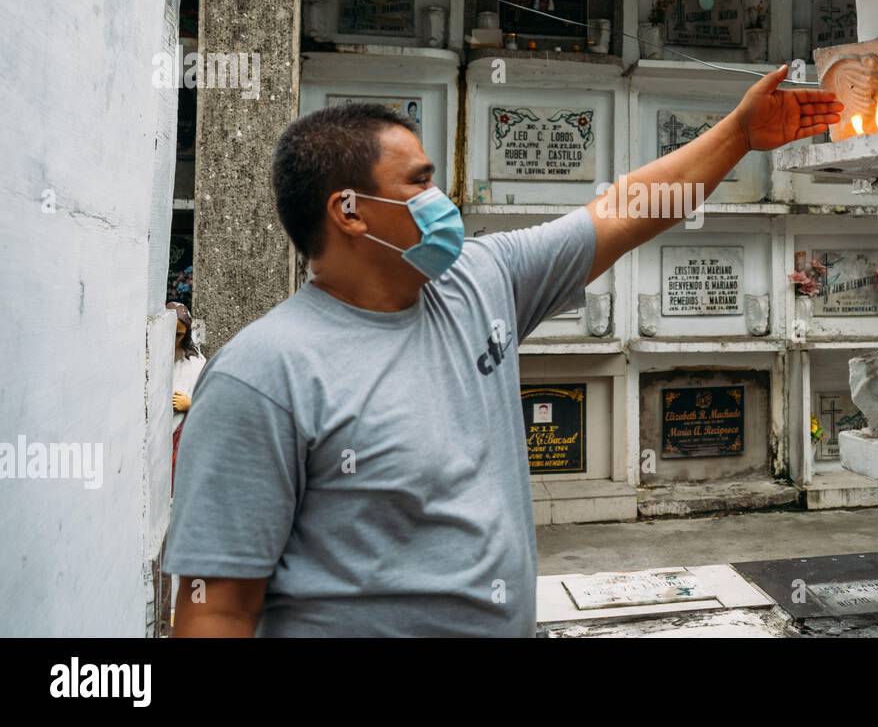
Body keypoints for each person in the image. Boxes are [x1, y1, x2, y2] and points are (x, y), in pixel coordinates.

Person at [164, 64, 840, 636]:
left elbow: (625, 210)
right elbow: (214, 609)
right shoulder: (263, 375)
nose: (441, 201)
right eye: (419, 183)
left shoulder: (478, 283)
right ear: (350, 211)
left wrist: (739, 134)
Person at [166, 301, 205, 495]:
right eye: (170, 334)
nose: (173, 340)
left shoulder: (195, 363)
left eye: (179, 335)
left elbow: (210, 402)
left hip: (181, 436)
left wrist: (190, 404)